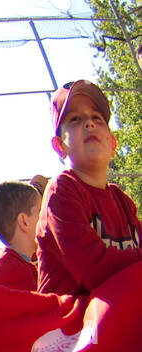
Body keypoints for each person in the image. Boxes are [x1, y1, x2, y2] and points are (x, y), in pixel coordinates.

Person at [35, 80, 142, 295]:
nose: (89, 123)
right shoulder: (62, 190)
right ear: (59, 146)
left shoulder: (122, 201)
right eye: (75, 119)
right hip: (69, 321)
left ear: (112, 144)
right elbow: (94, 270)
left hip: (112, 310)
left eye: (97, 118)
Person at [0, 181, 41, 292]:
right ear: (24, 221)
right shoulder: (11, 272)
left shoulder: (16, 262)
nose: (46, 219)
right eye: (40, 212)